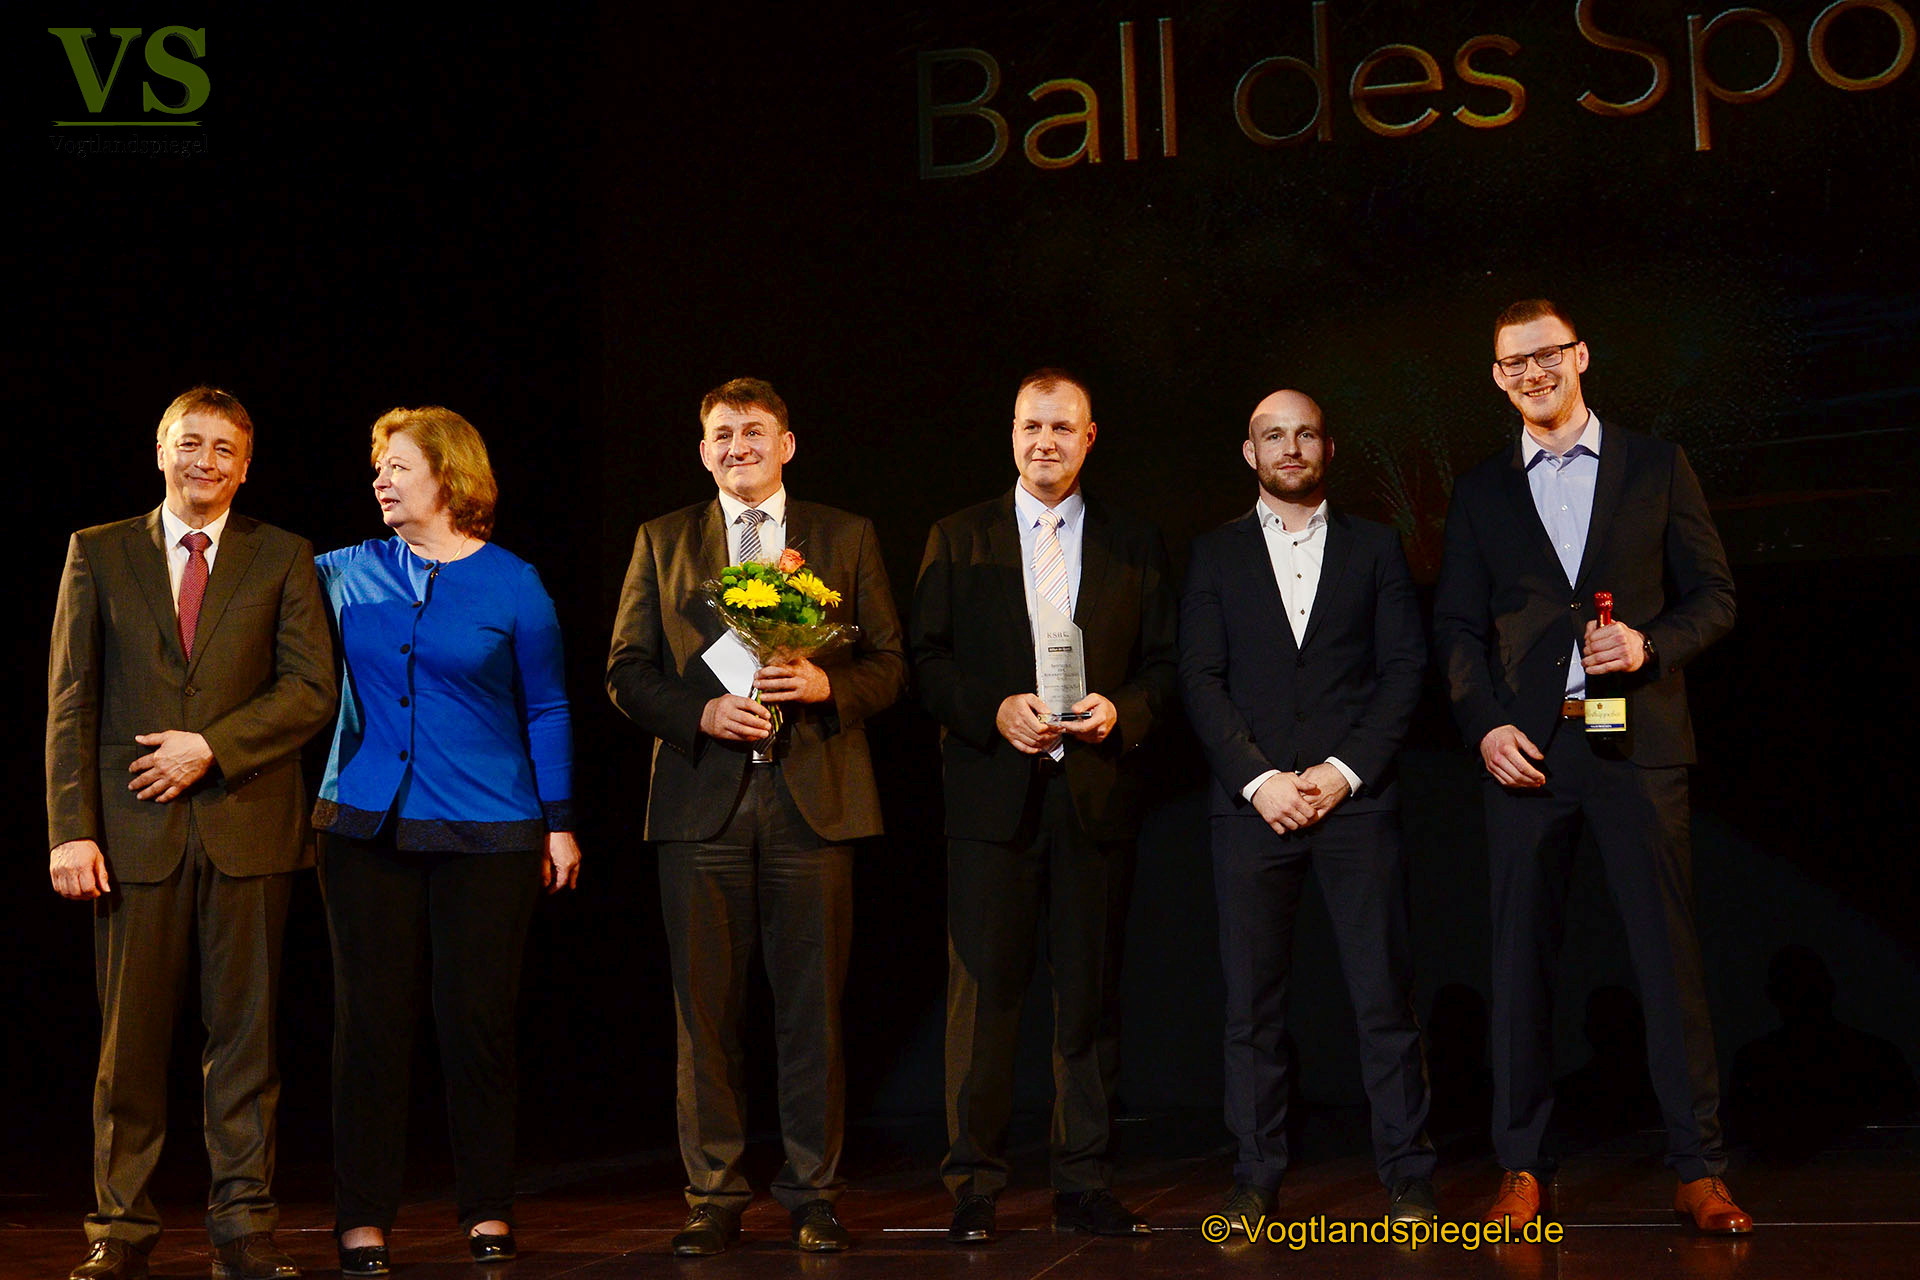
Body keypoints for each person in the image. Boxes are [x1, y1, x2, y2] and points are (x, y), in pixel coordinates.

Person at [1432, 299, 1746, 1232]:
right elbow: (1456, 627)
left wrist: (1651, 645)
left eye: (1547, 355)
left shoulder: (1656, 464)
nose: (1532, 373)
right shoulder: (1481, 490)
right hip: (1527, 753)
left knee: (1666, 959)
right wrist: (1484, 727)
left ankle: (1699, 1169)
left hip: (1637, 744)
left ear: (1580, 356)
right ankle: (1522, 1169)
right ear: (1497, 378)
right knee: (1520, 964)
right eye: (1513, 363)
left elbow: (1715, 595)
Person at [606, 377, 906, 1257]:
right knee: (705, 1015)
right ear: (704, 451)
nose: (738, 446)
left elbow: (891, 664)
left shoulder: (845, 537)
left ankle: (814, 1194)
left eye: (754, 431)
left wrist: (824, 685)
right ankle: (713, 1194)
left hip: (814, 801)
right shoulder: (663, 540)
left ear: (787, 444)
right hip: (702, 802)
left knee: (812, 1012)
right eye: (722, 434)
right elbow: (626, 670)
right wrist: (699, 712)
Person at [46, 387, 336, 1280]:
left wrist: (211, 746)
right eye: (190, 443)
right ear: (160, 449)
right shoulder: (98, 551)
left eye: (223, 450)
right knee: (128, 1047)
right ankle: (119, 1229)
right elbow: (71, 700)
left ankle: (243, 1228)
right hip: (130, 835)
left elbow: (309, 690)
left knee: (245, 1044)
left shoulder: (282, 555)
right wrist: (70, 832)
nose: (205, 461)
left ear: (245, 467)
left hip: (249, 828)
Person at [312, 407, 581, 1274]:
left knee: (476, 1027)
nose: (380, 479)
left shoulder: (514, 583)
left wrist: (560, 821)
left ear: (449, 474)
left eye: (398, 465)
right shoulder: (340, 571)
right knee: (368, 1029)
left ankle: (487, 1209)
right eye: (378, 467)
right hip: (365, 828)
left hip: (490, 828)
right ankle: (362, 1221)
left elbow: (548, 705)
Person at [911, 368, 1177, 1243]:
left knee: (1088, 1000)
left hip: (1094, 794)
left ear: (1089, 438)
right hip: (992, 801)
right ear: (1013, 434)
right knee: (983, 1001)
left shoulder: (1134, 541)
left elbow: (1164, 665)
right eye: (1032, 426)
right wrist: (991, 710)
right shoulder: (958, 537)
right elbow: (927, 660)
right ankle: (974, 1187)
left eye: (1062, 427)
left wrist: (1122, 711)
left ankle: (1084, 1183)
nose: (1045, 442)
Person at [1178, 389, 1436, 1231]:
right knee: (1252, 1008)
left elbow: (1404, 670)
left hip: (1355, 802)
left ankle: (1408, 1176)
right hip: (1252, 807)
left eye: (1304, 434)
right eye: (1272, 436)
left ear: (1327, 447)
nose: (1290, 448)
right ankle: (1256, 1177)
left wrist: (1342, 771)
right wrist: (1261, 781)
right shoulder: (1213, 554)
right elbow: (1200, 678)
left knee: (1383, 996)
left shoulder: (1376, 547)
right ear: (1249, 453)